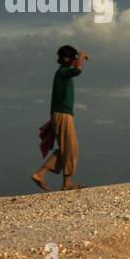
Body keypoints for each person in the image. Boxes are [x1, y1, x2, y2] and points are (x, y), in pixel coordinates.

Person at [32, 45, 88, 191]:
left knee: (69, 147)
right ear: (67, 59)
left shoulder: (63, 72)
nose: (76, 60)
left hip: (63, 114)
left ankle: (43, 174)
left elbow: (75, 69)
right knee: (70, 147)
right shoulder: (62, 72)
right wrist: (82, 56)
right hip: (62, 114)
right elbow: (77, 70)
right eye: (74, 58)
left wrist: (79, 58)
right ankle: (65, 181)